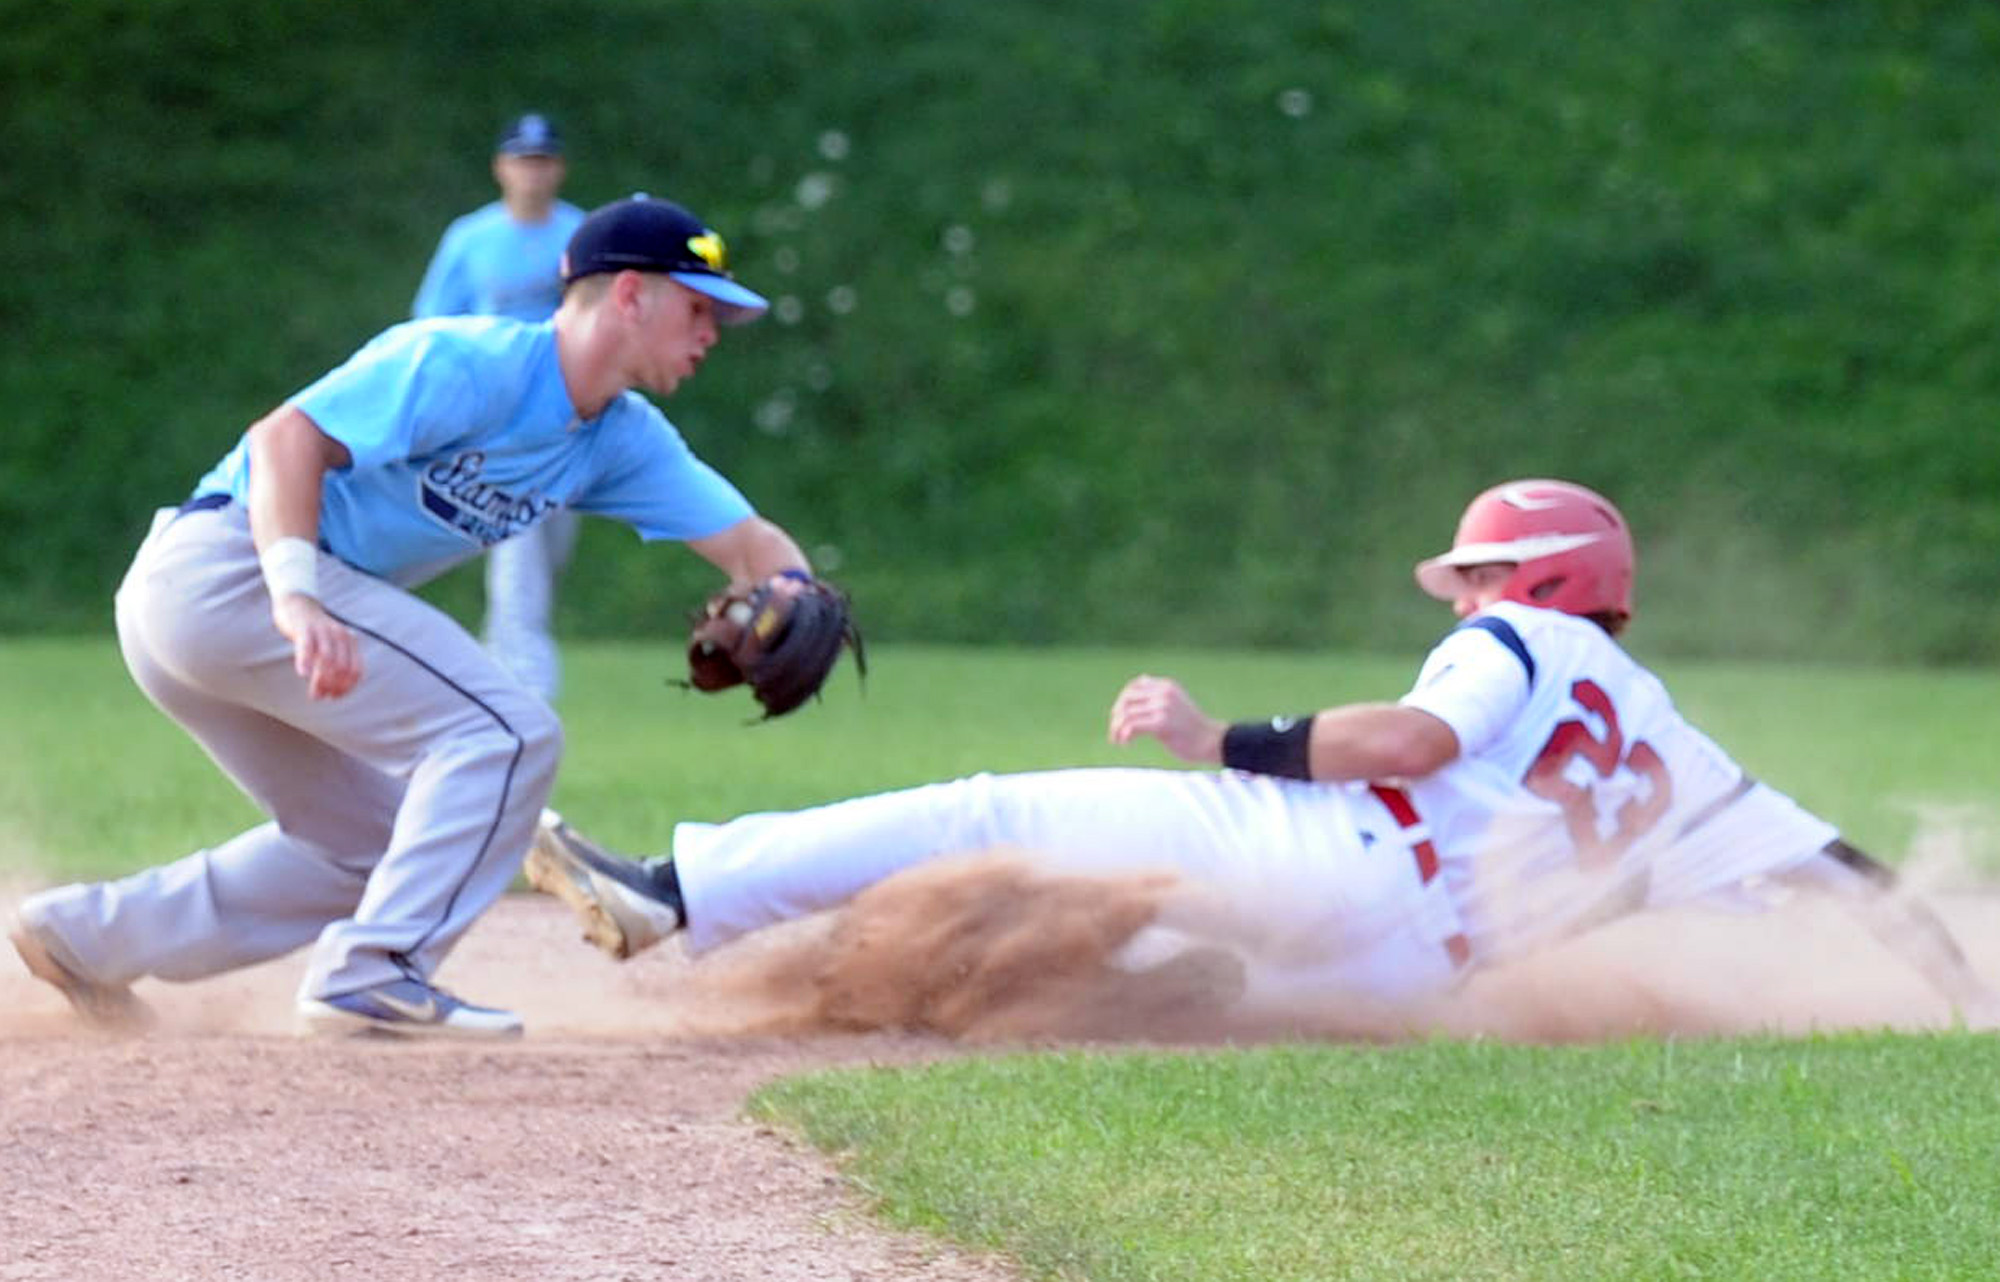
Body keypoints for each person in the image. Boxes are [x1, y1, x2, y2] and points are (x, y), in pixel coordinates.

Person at [522, 478, 1999, 1024]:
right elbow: (1846, 875)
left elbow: (1413, 738)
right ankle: (1156, 990)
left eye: (1482, 575)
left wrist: (1222, 735)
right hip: (1413, 970)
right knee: (1202, 964)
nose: (1466, 595)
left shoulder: (1522, 644)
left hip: (1350, 856)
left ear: (1537, 585)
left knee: (990, 807)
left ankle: (678, 889)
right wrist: (1959, 1000)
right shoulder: (1674, 742)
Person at [11, 194, 830, 1040]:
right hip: (224, 573)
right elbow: (285, 439)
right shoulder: (471, 361)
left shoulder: (619, 439)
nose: (712, 333)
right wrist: (295, 600)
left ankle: (85, 938)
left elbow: (748, 542)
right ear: (629, 294)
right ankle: (374, 973)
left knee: (369, 844)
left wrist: (797, 594)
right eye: (699, 308)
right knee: (507, 736)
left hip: (226, 612)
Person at [413, 112, 588, 702]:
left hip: (567, 416)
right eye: (522, 160)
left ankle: (497, 668)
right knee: (519, 560)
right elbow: (432, 327)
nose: (533, 173)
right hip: (497, 420)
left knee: (548, 552)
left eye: (542, 161)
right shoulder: (470, 239)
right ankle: (523, 695)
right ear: (501, 168)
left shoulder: (583, 236)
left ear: (558, 168)